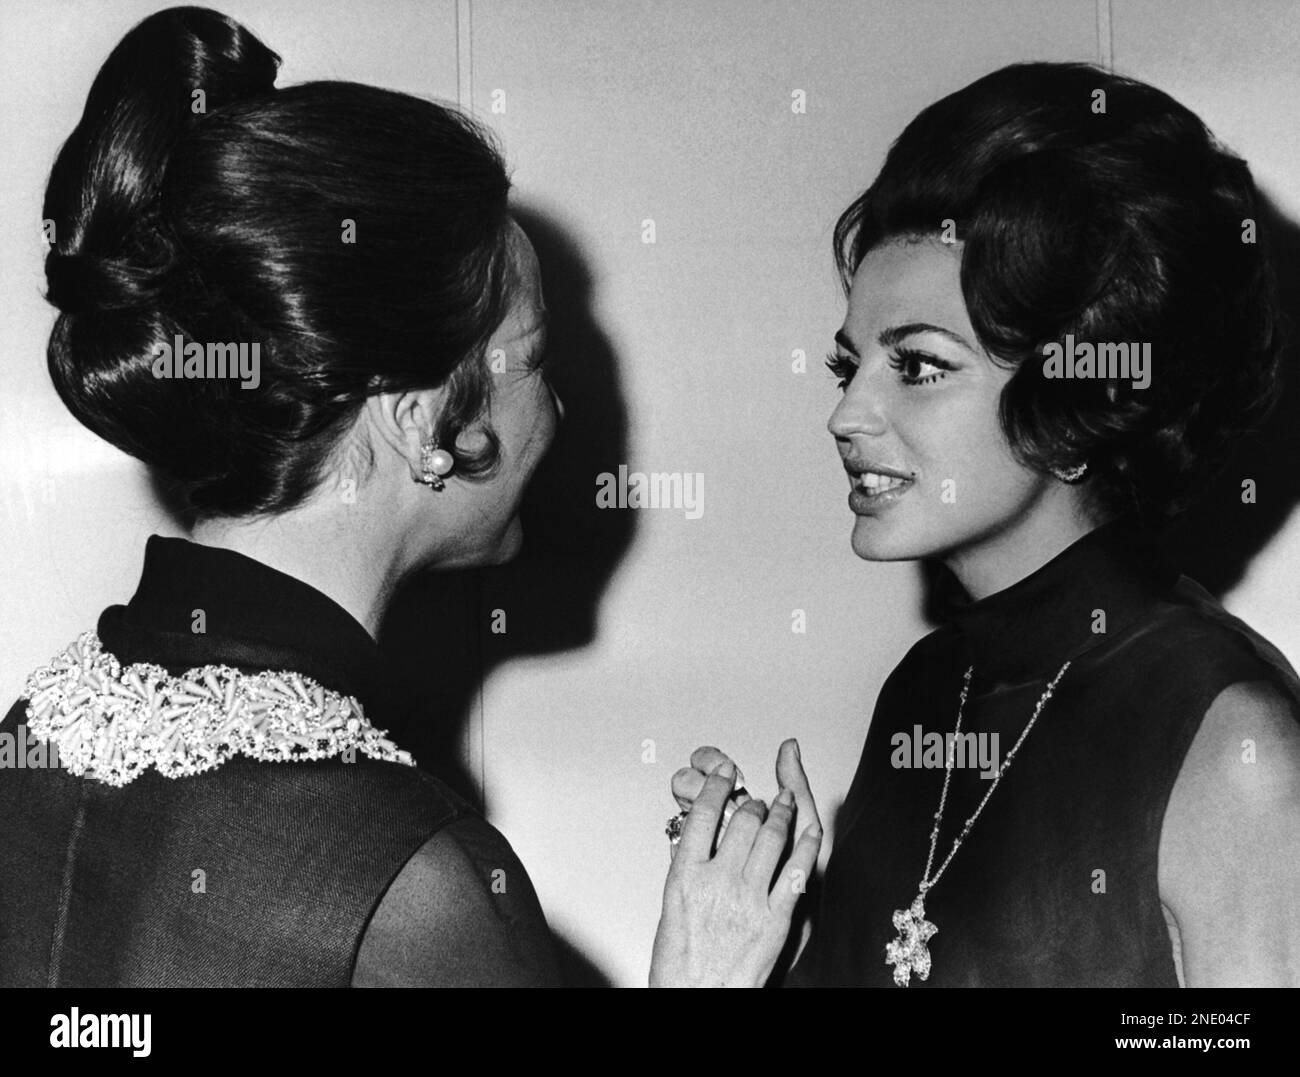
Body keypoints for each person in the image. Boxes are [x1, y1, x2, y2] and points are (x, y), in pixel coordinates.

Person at [3, 4, 812, 989]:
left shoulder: (33, 737)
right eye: (535, 361)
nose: (557, 409)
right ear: (425, 420)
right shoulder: (415, 883)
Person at [670, 62, 1300, 987]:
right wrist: (771, 934)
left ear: (1077, 404)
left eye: (918, 365)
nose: (847, 415)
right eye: (848, 367)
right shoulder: (927, 692)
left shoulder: (1232, 744)